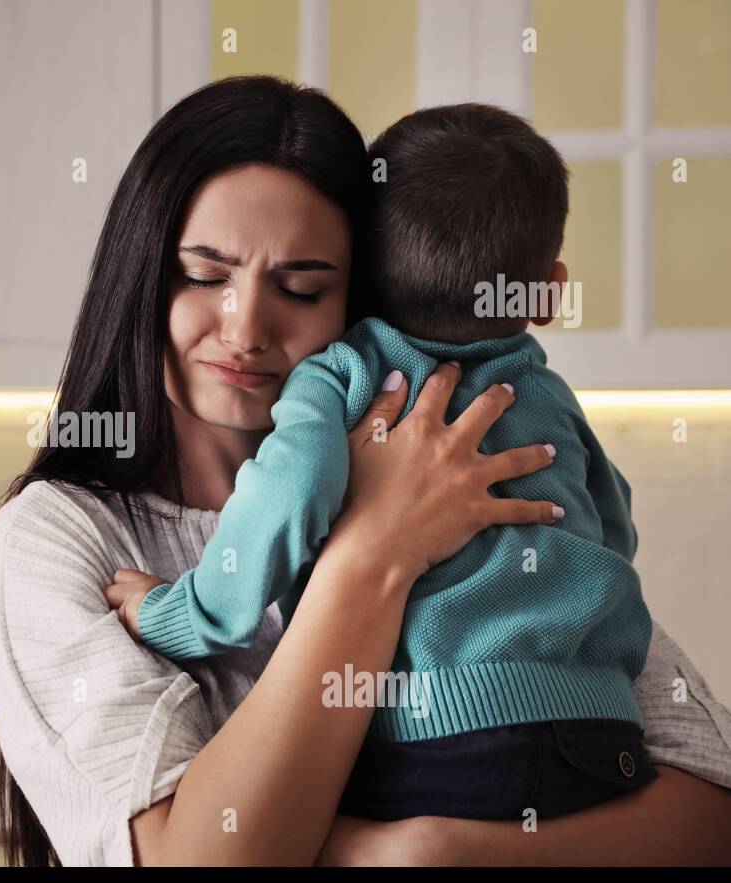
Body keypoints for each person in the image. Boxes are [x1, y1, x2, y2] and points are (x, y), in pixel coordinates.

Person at [0, 76, 731, 866]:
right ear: (139, 277)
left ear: (364, 298)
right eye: (204, 276)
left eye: (302, 287)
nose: (247, 328)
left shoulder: (457, 455)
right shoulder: (56, 538)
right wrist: (375, 547)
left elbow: (710, 819)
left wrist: (433, 853)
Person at [107, 103, 656, 824]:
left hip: (437, 741)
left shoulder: (343, 377)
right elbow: (611, 527)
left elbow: (288, 497)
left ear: (360, 273)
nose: (247, 329)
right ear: (548, 291)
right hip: (600, 734)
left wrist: (179, 612)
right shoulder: (548, 395)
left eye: (302, 288)